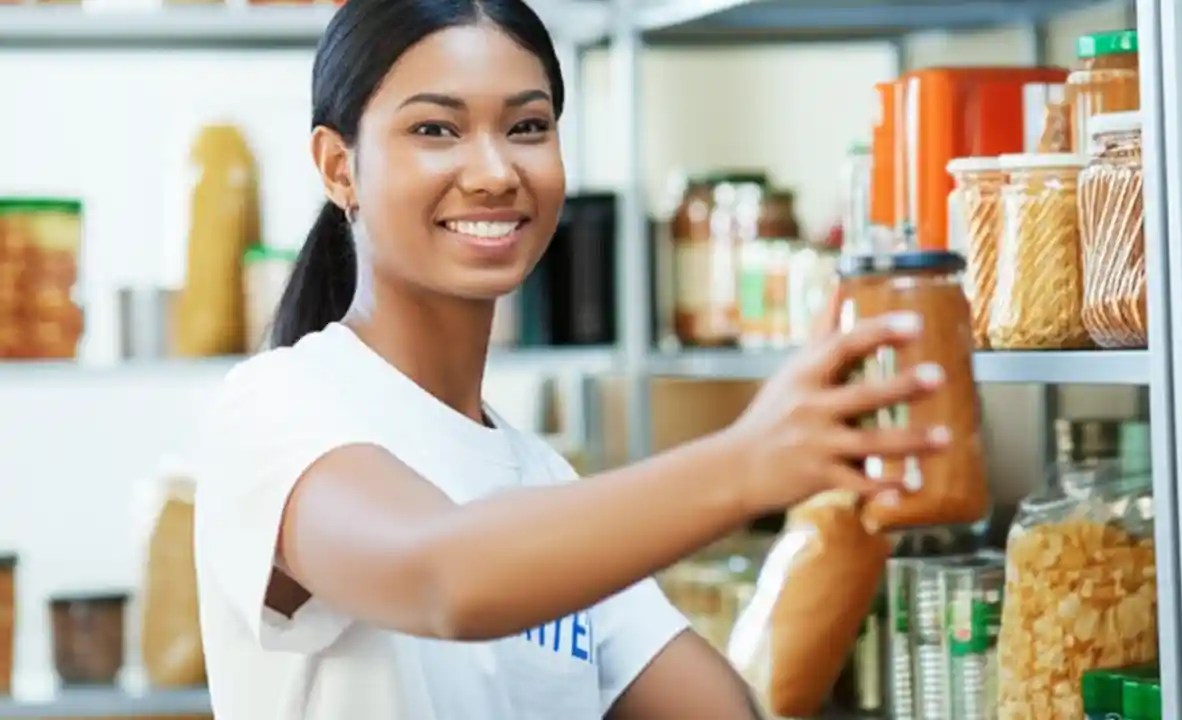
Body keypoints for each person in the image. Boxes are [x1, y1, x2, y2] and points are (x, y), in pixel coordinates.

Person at [192, 0, 953, 717]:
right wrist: (746, 464)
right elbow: (442, 578)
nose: (494, 172)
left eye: (527, 126)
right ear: (338, 167)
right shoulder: (277, 408)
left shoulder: (543, 480)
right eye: (436, 130)